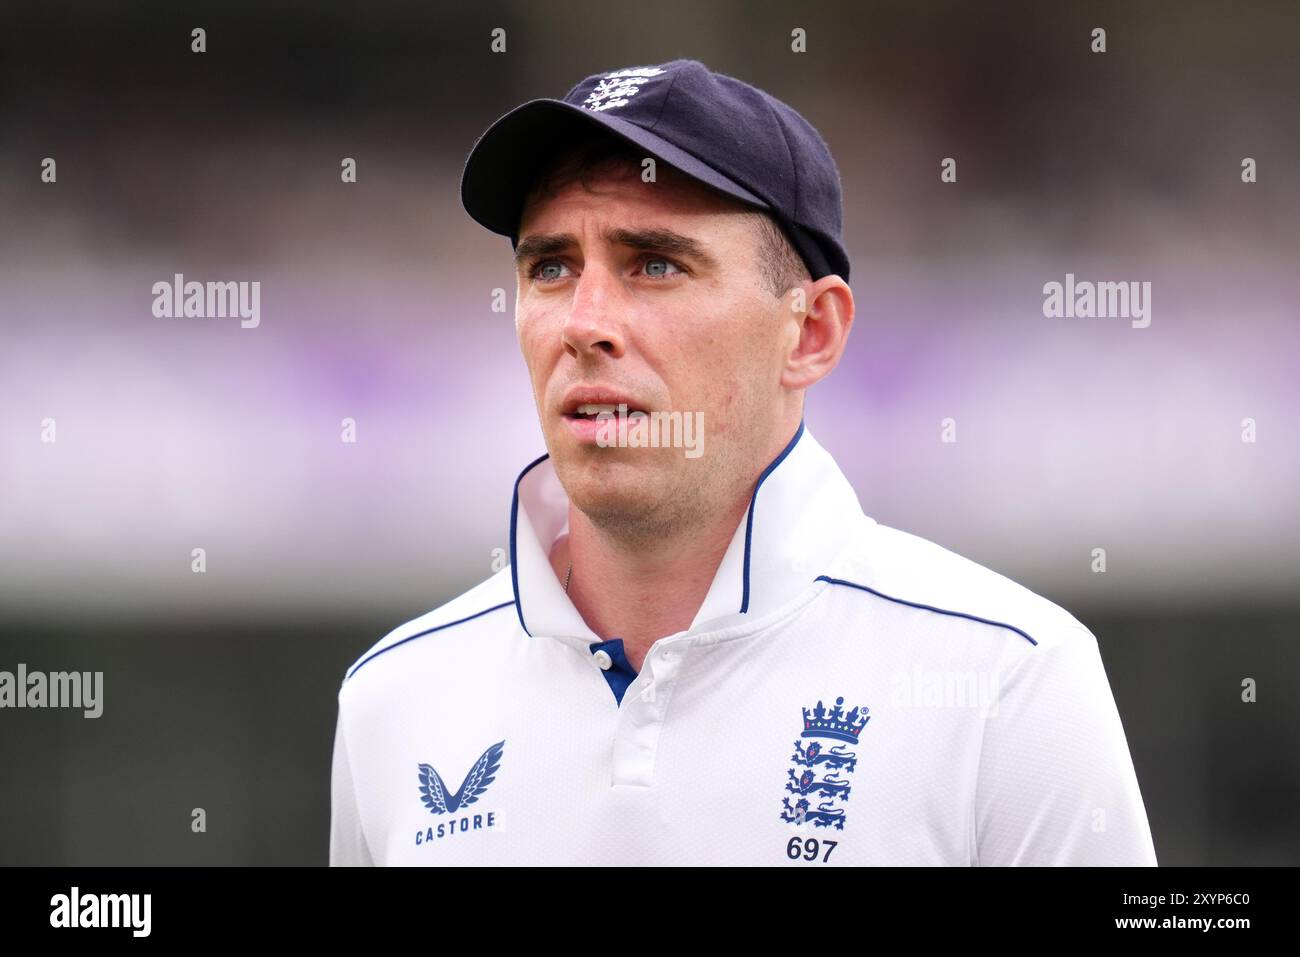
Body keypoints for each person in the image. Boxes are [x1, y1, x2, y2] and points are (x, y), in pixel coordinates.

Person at [329, 59, 1157, 865]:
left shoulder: (1010, 679)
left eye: (654, 264)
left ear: (810, 332)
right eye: (551, 267)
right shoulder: (394, 697)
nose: (583, 322)